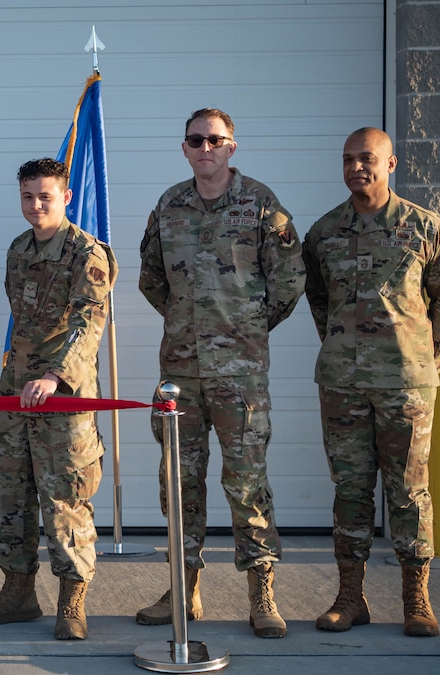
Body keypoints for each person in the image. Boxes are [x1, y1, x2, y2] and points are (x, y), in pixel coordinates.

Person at [137, 108, 305, 638]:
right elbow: (151, 278)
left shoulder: (260, 204)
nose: (205, 148)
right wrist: (190, 326)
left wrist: (246, 327)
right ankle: (183, 590)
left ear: (232, 146)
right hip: (181, 372)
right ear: (184, 148)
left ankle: (262, 594)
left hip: (240, 375)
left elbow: (289, 280)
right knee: (178, 483)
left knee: (246, 481)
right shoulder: (169, 206)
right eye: (196, 140)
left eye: (215, 140)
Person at [303, 127, 440, 638]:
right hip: (342, 385)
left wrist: (424, 359)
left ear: (390, 164)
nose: (358, 167)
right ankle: (350, 598)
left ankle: (416, 599)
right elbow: (318, 299)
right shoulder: (324, 233)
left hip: (406, 384)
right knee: (349, 489)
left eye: (368, 159)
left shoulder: (424, 228)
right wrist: (343, 348)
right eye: (349, 159)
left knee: (409, 491)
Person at [0, 157, 115, 641]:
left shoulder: (87, 253)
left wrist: (54, 375)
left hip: (62, 396)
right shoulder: (18, 249)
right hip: (15, 392)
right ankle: (17, 592)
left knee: (65, 497)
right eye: (27, 196)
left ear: (65, 197)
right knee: (8, 489)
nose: (35, 204)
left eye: (45, 196)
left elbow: (88, 322)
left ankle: (72, 601)